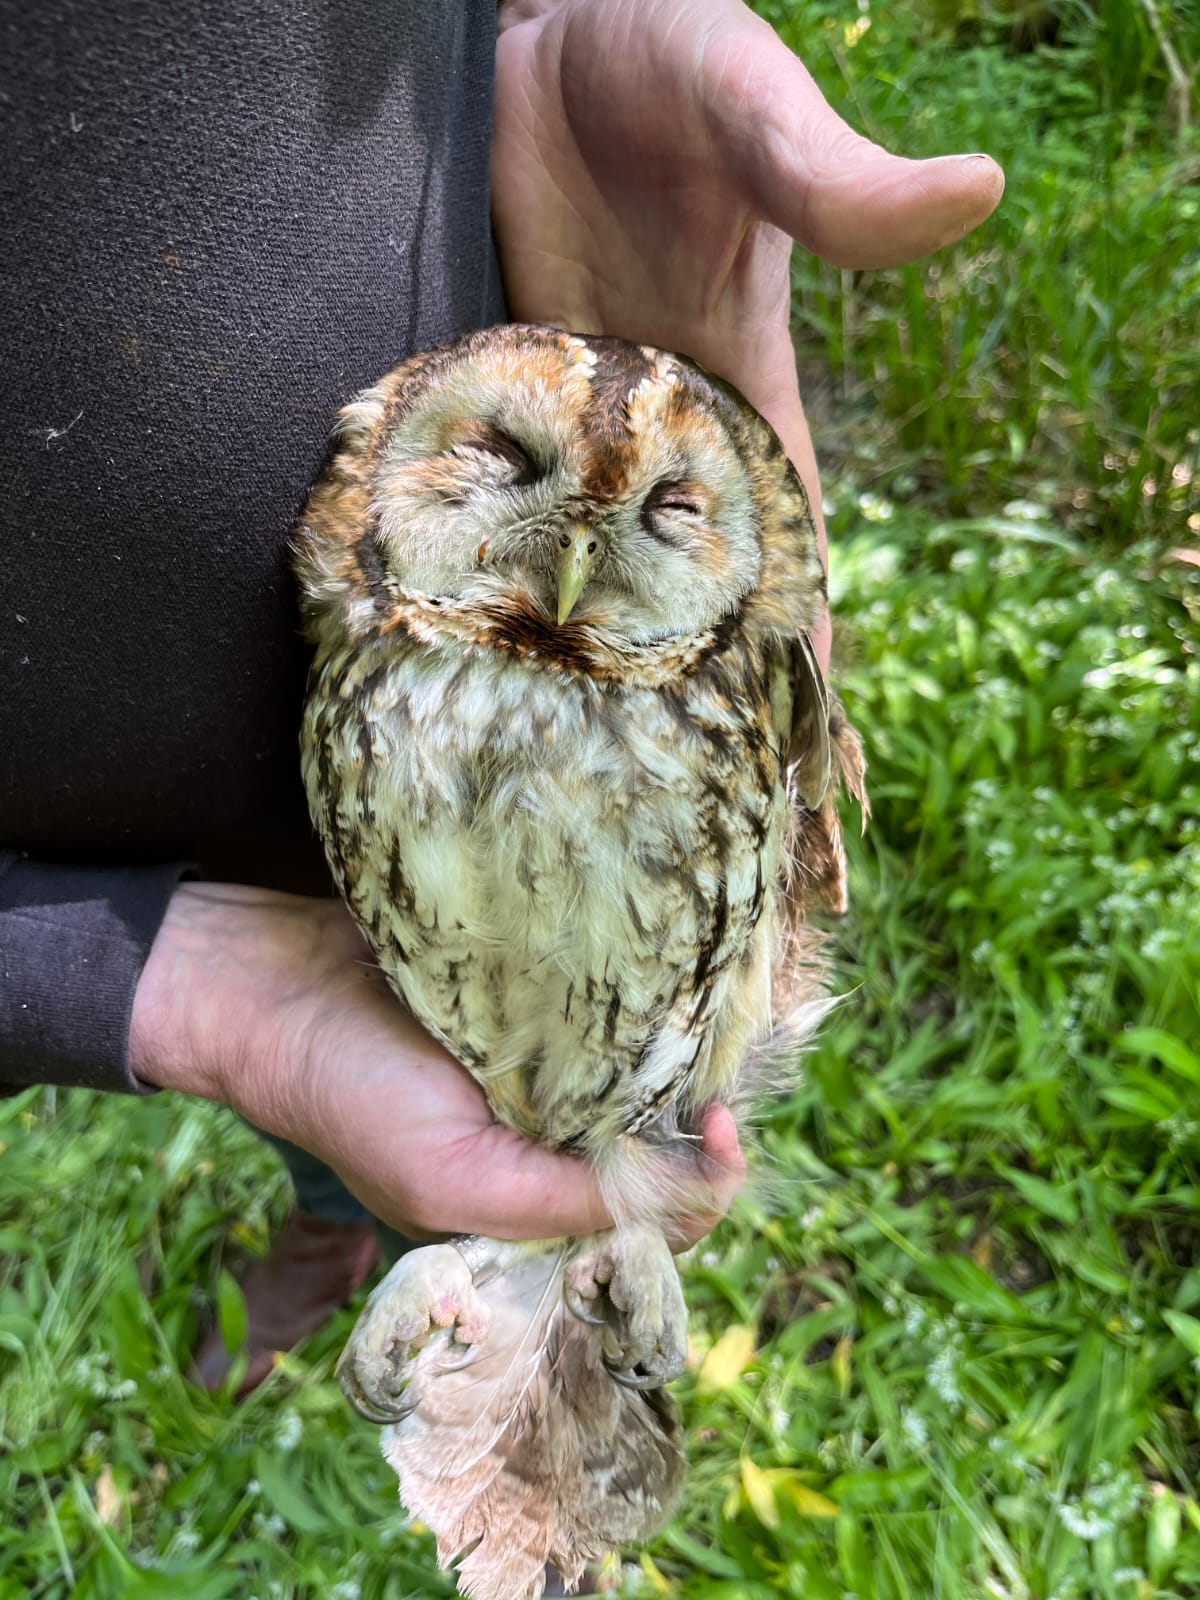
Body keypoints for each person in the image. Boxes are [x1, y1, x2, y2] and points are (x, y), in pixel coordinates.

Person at [0, 0, 1003, 1392]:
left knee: (379, 1054)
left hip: (306, 904)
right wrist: (81, 977)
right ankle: (351, 1223)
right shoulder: (372, 638)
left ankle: (399, 1224)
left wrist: (552, 21)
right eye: (499, 465)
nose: (571, 565)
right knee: (356, 1045)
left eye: (669, 516)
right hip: (131, 897)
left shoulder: (715, 682)